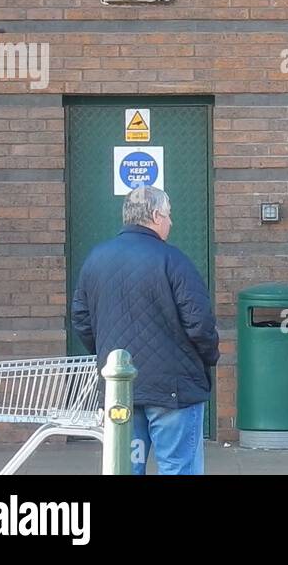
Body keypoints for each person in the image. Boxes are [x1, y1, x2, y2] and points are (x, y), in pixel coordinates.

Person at [72, 185, 219, 475]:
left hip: (120, 389)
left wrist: (112, 358)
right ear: (154, 216)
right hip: (173, 389)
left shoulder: (96, 259)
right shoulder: (173, 260)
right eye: (168, 215)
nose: (171, 222)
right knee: (178, 468)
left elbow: (81, 318)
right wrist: (208, 357)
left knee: (124, 468)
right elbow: (200, 323)